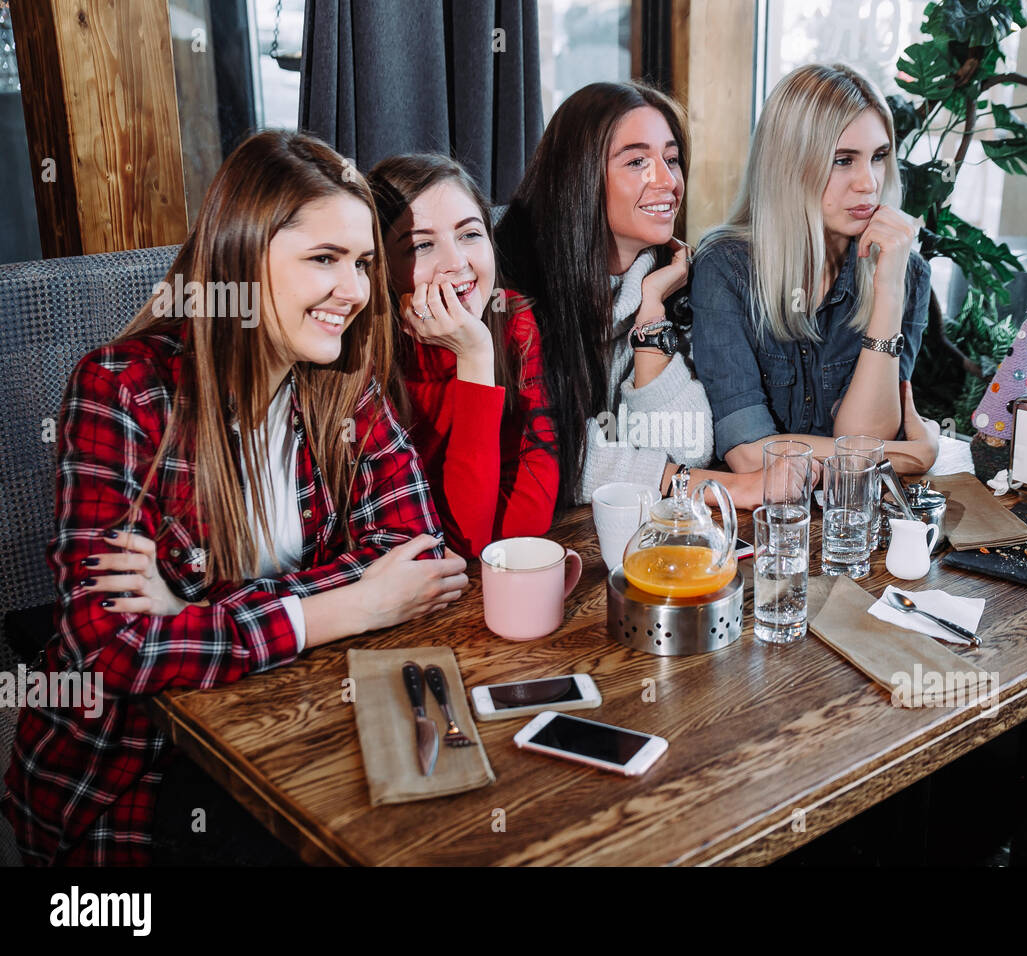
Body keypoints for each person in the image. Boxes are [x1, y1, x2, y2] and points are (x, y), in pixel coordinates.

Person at [2, 130, 469, 866]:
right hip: (130, 777)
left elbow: (420, 559)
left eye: (363, 263)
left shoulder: (345, 381)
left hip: (287, 732)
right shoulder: (124, 390)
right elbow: (109, 650)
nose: (354, 291)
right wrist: (348, 606)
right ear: (242, 262)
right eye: (324, 259)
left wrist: (188, 617)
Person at [494, 81, 765, 508]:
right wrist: (732, 488)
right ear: (578, 175)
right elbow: (556, 456)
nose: (667, 180)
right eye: (638, 161)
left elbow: (687, 447)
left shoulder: (672, 281)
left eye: (671, 159)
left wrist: (650, 316)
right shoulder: (506, 275)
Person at [691, 63, 940, 475]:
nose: (868, 183)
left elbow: (864, 437)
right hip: (754, 525)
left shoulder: (904, 271)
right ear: (789, 166)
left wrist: (890, 291)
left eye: (878, 157)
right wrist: (911, 455)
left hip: (850, 520)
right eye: (843, 160)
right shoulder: (727, 266)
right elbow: (749, 453)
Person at [370, 153, 559, 558]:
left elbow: (534, 509)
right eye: (422, 244)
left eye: (470, 235)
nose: (457, 263)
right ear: (382, 269)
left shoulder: (512, 318)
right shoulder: (370, 354)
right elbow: (463, 537)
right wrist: (474, 355)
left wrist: (476, 351)